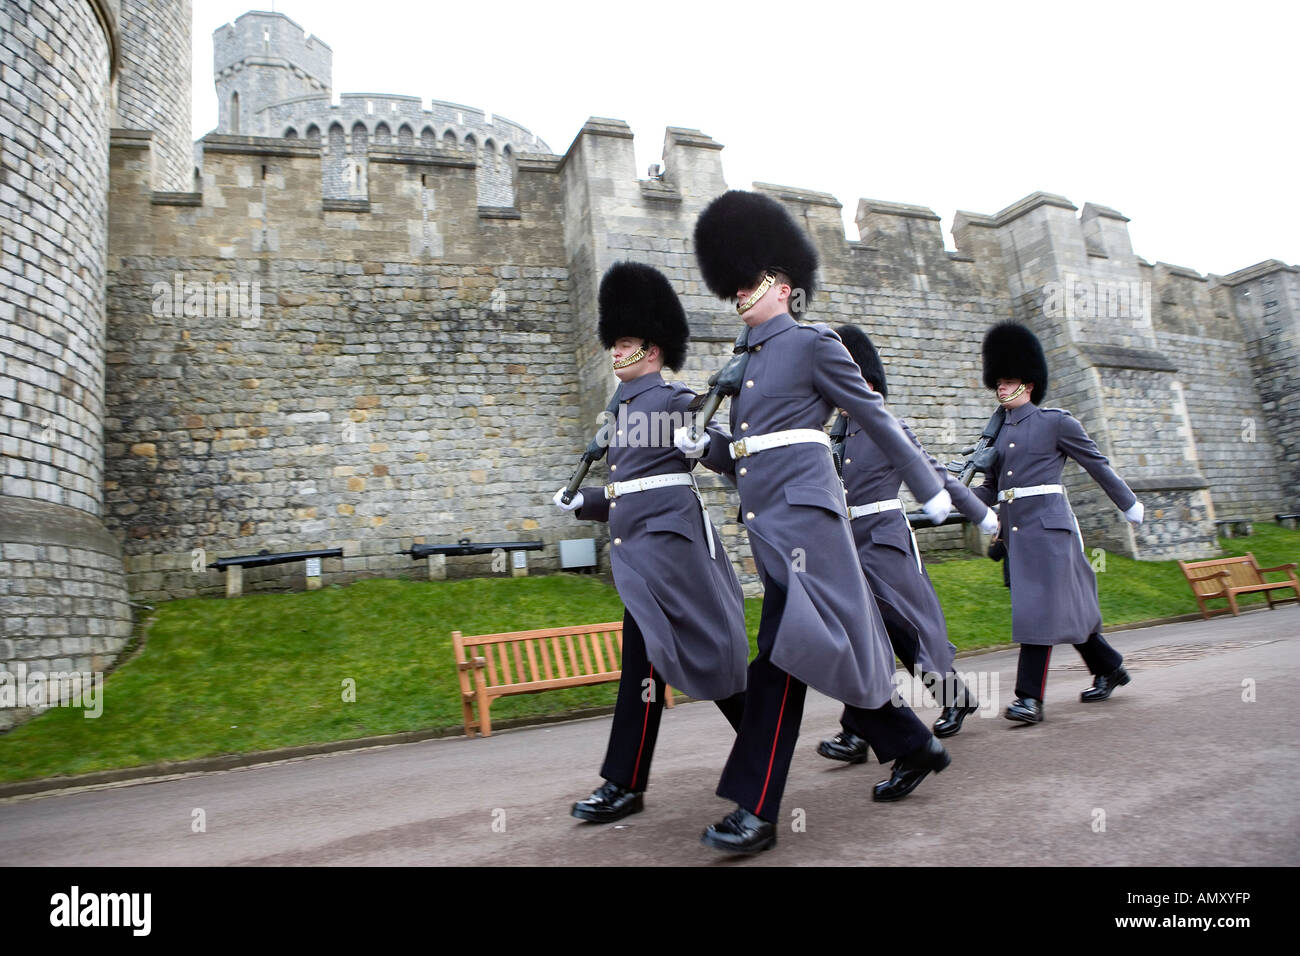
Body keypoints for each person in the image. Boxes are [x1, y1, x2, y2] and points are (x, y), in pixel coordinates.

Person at [677, 190, 956, 855]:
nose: (739, 294)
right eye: (734, 285)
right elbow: (744, 455)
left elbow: (877, 418)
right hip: (774, 533)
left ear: (784, 285)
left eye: (750, 282)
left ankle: (756, 811)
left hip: (811, 530)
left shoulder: (812, 344)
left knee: (776, 663)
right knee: (807, 653)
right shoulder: (742, 368)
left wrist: (928, 489)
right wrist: (703, 448)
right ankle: (912, 745)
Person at [553, 261, 748, 823]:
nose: (615, 354)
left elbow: (721, 448)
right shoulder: (620, 411)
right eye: (613, 344)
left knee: (713, 662)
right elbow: (625, 493)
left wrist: (700, 446)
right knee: (640, 669)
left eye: (627, 344)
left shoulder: (670, 400)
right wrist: (583, 503)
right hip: (639, 559)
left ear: (654, 349)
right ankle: (624, 783)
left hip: (675, 556)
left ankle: (762, 751)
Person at [816, 325, 1000, 767]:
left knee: (908, 628)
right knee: (866, 634)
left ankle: (871, 728)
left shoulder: (886, 425)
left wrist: (982, 514)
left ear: (867, 382)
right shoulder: (836, 434)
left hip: (886, 539)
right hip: (851, 544)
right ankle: (864, 730)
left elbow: (937, 474)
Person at [971, 321, 1143, 724]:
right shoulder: (995, 435)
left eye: (1007, 380)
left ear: (1027, 384)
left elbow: (1096, 465)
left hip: (1049, 530)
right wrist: (948, 496)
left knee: (1037, 611)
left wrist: (1128, 503)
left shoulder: (1055, 422)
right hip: (1016, 533)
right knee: (1063, 608)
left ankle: (1029, 698)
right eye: (997, 381)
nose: (999, 388)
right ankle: (1109, 668)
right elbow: (991, 488)